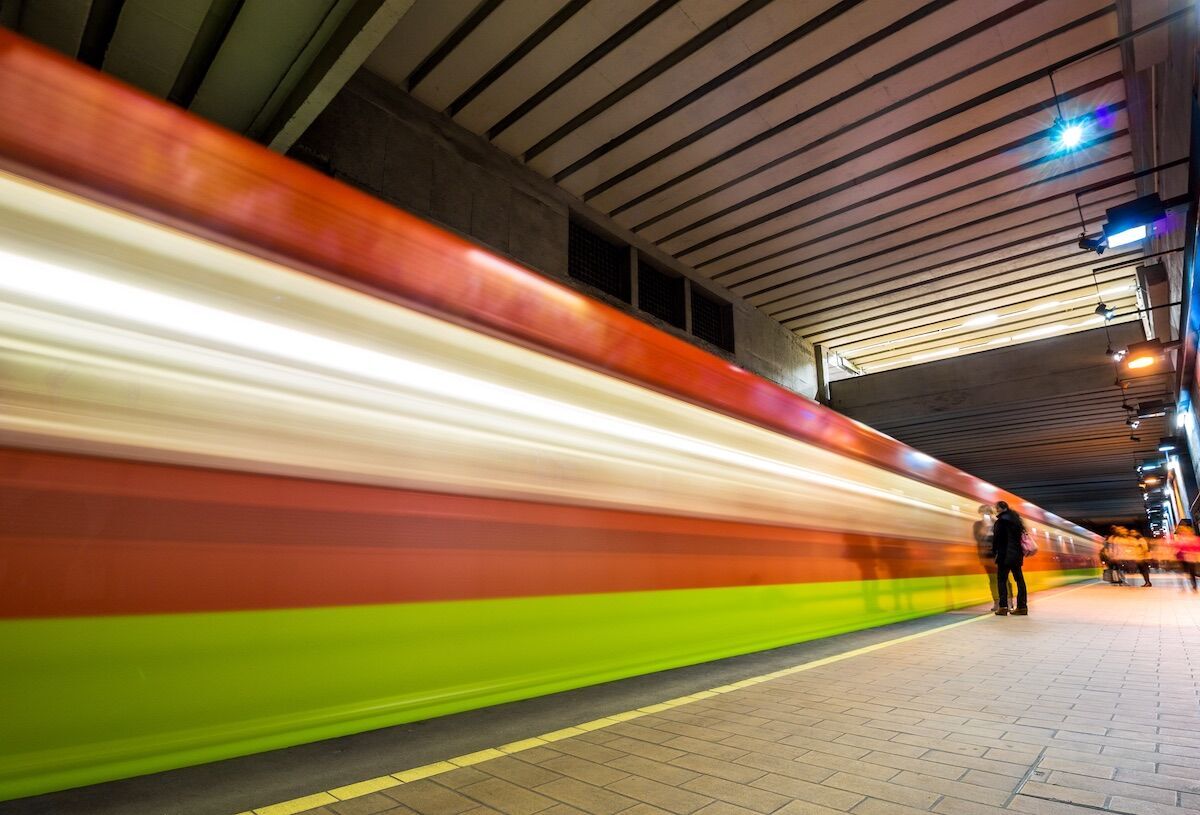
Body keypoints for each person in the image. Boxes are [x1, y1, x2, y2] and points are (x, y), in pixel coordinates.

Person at [991, 501, 1028, 615]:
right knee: (1019, 580)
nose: (996, 510)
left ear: (1002, 508)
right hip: (1016, 555)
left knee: (1002, 580)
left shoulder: (1000, 522)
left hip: (1004, 555)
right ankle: (1022, 607)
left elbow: (996, 540)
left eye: (997, 508)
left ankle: (1003, 607)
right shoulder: (1017, 521)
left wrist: (994, 553)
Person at [1175, 520, 1200, 592]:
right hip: (1183, 558)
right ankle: (1186, 587)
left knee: (1190, 573)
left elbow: (1197, 547)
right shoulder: (1182, 539)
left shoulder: (1192, 539)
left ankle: (1193, 586)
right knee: (1185, 572)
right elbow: (1178, 548)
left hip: (1190, 557)